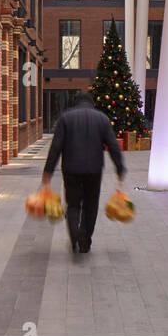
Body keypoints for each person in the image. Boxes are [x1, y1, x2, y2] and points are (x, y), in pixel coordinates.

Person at [41, 92, 125, 254]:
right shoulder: (102, 119)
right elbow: (113, 146)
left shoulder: (65, 118)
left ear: (75, 103)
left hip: (71, 169)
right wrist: (120, 168)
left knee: (73, 204)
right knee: (91, 205)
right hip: (94, 170)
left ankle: (74, 234)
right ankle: (85, 240)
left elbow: (55, 148)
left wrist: (48, 171)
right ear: (91, 103)